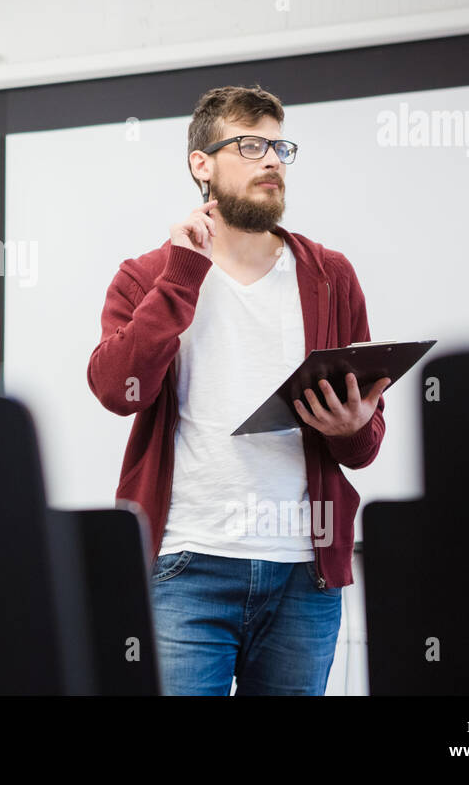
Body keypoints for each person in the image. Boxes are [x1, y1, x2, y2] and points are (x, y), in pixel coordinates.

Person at [86, 84, 390, 695]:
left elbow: (365, 443)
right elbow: (117, 389)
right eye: (250, 144)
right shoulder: (147, 275)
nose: (272, 159)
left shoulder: (330, 276)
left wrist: (352, 427)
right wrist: (182, 274)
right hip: (185, 568)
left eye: (279, 145)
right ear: (202, 165)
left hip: (305, 578)